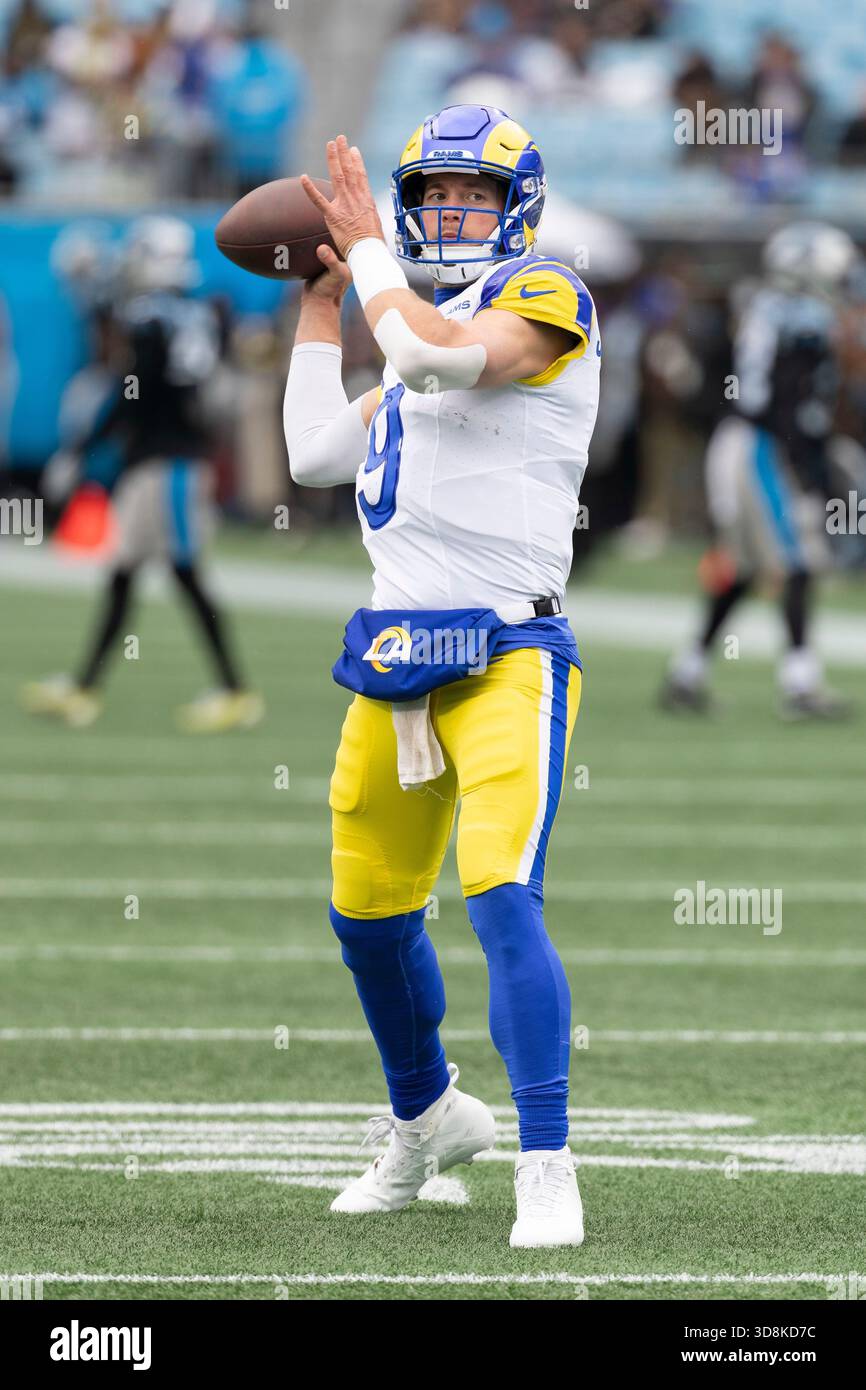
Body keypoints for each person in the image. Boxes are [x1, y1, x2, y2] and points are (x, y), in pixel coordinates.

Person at [283, 106, 601, 1248]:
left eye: (472, 196)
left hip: (509, 651)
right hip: (396, 661)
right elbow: (312, 454)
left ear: (514, 208)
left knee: (498, 896)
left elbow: (422, 351)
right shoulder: (412, 314)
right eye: (433, 198)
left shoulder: (545, 296)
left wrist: (364, 253)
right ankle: (426, 1118)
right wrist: (320, 305)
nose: (449, 215)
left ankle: (545, 1158)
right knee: (367, 918)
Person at [21, 215, 262, 733]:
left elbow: (131, 394)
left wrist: (81, 449)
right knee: (125, 573)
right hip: (167, 459)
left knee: (184, 572)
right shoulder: (196, 312)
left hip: (168, 463)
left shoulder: (152, 318)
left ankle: (235, 691)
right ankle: (84, 687)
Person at [661, 221, 860, 719]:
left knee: (746, 569)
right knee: (797, 561)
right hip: (762, 445)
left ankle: (687, 673)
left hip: (751, 440)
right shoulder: (801, 320)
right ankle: (800, 686)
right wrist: (811, 469)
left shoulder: (766, 309)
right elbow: (785, 405)